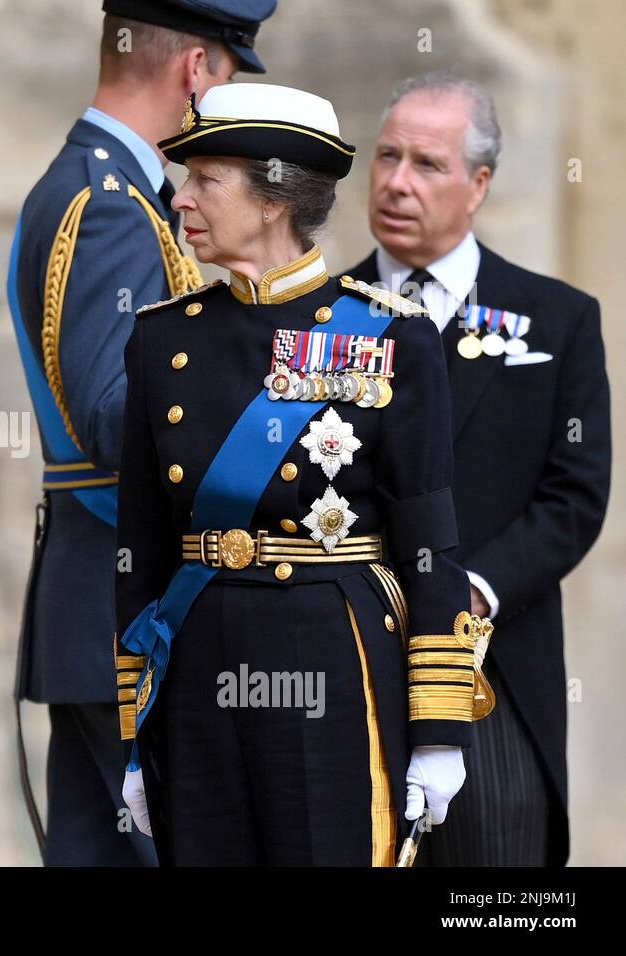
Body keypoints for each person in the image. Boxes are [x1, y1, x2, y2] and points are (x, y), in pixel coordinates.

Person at [115, 82, 491, 865]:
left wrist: (439, 731)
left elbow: (429, 548)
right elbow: (140, 552)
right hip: (195, 669)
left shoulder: (390, 337)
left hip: (331, 660)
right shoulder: (161, 341)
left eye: (205, 179)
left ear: (272, 198)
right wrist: (133, 734)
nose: (181, 198)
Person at [8, 0, 277, 865]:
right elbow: (113, 415)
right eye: (225, 74)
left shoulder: (110, 190)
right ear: (195, 69)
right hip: (126, 611)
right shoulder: (109, 205)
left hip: (104, 609)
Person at [345, 73, 611, 866]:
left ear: (480, 184)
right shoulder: (322, 318)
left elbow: (573, 498)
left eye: (427, 164)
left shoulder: (558, 321)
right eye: (387, 156)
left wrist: (473, 594)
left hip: (494, 678)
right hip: (348, 670)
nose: (397, 182)